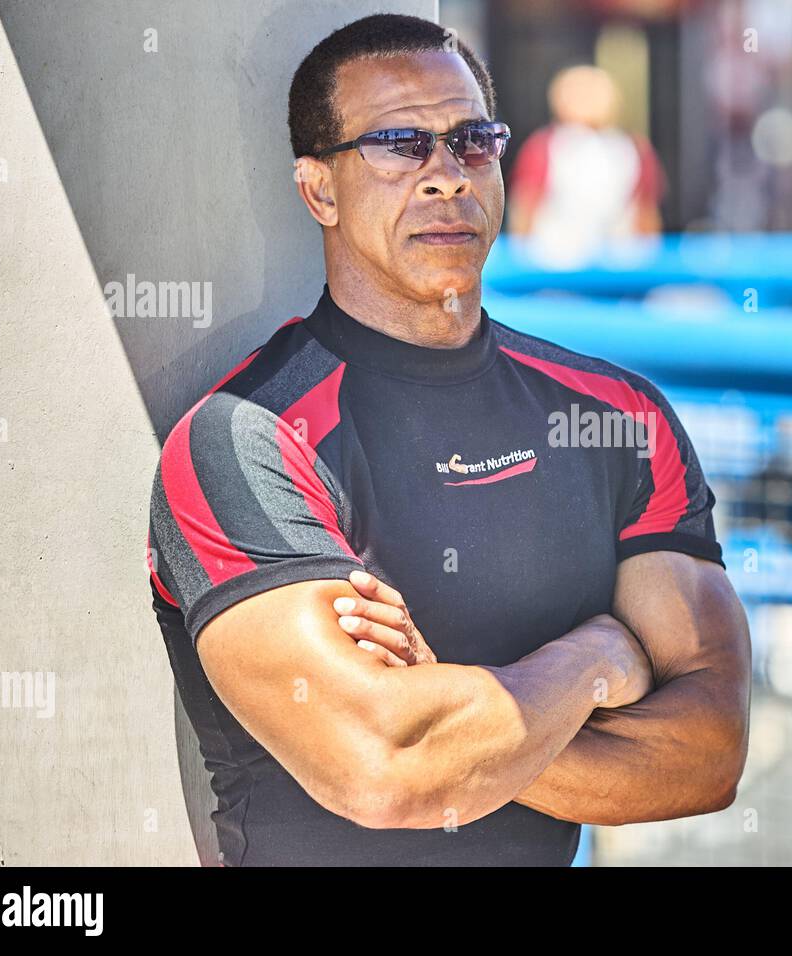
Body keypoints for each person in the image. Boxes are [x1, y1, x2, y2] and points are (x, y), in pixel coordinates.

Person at [147, 13, 750, 866]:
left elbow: (711, 753)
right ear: (319, 189)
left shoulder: (619, 418)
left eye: (472, 141)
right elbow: (386, 770)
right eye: (398, 145)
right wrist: (596, 657)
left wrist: (456, 716)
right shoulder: (245, 440)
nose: (445, 177)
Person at [507, 64, 667, 267]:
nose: (587, 101)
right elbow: (525, 207)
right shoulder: (543, 147)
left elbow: (646, 214)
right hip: (554, 266)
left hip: (621, 265)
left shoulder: (634, 149)